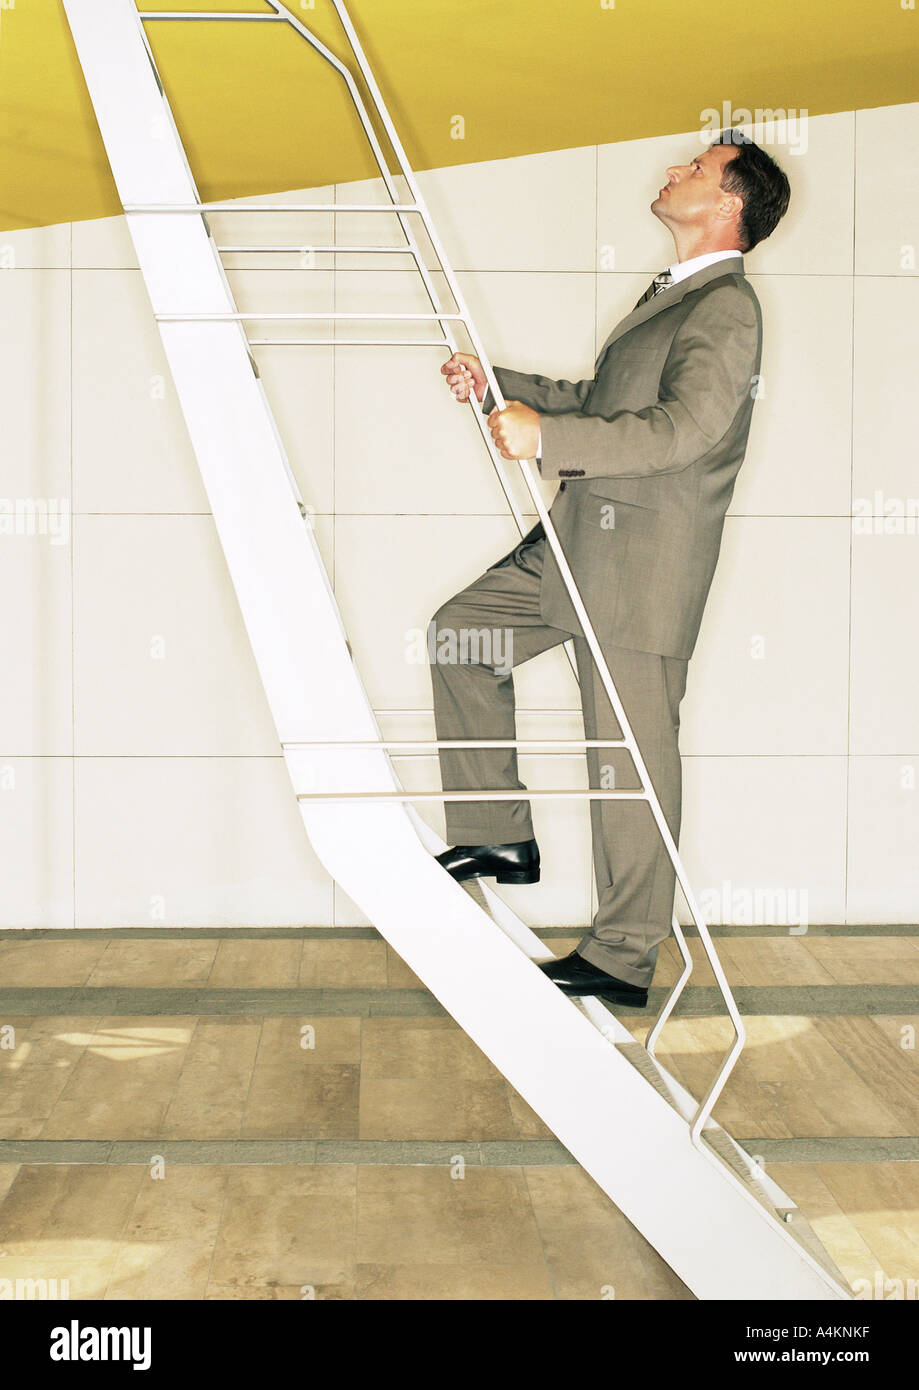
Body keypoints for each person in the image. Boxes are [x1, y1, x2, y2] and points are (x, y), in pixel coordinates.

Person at [427, 130, 791, 1009]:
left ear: (728, 204)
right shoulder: (670, 297)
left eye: (696, 169)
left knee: (626, 759)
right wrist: (497, 387)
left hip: (638, 568)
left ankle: (624, 954)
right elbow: (602, 407)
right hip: (576, 545)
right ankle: (497, 835)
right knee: (459, 638)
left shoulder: (727, 307)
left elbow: (685, 432)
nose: (673, 171)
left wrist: (548, 440)